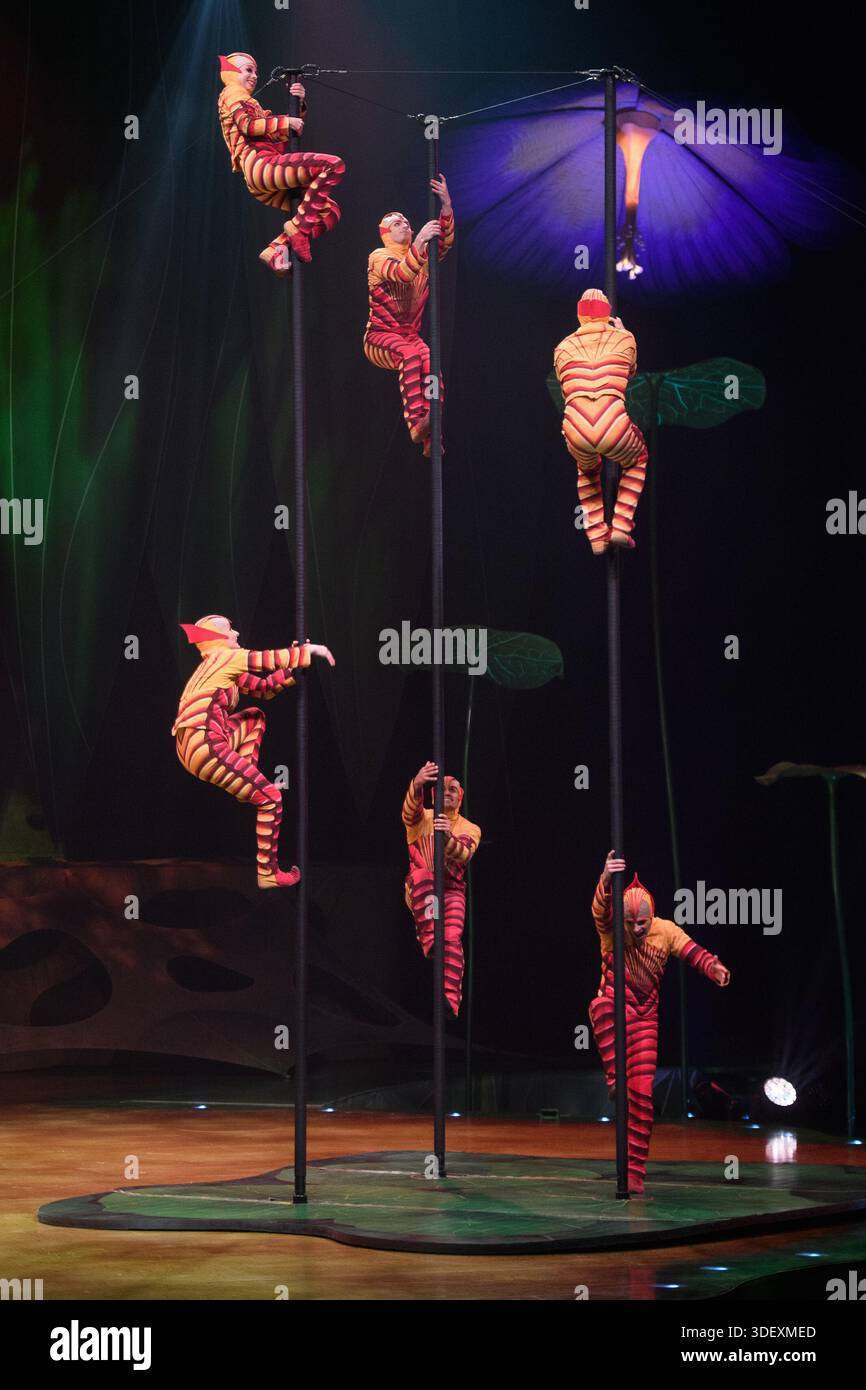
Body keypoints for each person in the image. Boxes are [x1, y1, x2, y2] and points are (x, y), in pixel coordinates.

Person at [589, 850, 730, 1193]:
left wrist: (713, 967)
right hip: (616, 1005)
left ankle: (635, 1171)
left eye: (643, 923)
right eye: (630, 923)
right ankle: (613, 1077)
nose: (637, 929)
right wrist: (607, 878)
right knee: (601, 1006)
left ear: (652, 916)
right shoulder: (611, 932)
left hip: (646, 1018)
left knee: (641, 1098)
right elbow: (598, 910)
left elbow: (691, 950)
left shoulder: (665, 930)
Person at [173, 615, 334, 888]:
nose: (236, 633)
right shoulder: (224, 658)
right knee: (271, 798)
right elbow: (267, 659)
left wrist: (295, 667)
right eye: (230, 630)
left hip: (191, 747)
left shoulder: (217, 668)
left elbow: (265, 689)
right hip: (204, 743)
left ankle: (245, 780)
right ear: (219, 639)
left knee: (254, 717)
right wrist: (308, 651)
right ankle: (267, 873)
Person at [217, 53, 345, 275]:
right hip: (261, 166)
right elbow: (248, 126)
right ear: (231, 72)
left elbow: (277, 134)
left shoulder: (249, 101)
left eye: (256, 71)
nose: (254, 76)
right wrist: (288, 121)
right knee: (332, 165)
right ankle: (297, 230)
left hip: (265, 174)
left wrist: (299, 105)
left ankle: (277, 247)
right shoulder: (232, 92)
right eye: (248, 70)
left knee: (330, 211)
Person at [364, 176, 454, 455]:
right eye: (396, 224)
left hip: (410, 337)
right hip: (379, 338)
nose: (404, 224)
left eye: (405, 221)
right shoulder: (378, 257)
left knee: (431, 364)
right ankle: (416, 425)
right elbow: (401, 274)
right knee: (410, 355)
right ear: (386, 233)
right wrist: (420, 242)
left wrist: (447, 206)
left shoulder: (422, 257)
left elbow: (444, 246)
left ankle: (431, 436)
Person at [554, 288, 649, 553]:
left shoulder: (562, 346)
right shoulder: (624, 338)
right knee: (638, 459)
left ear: (580, 316)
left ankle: (596, 536)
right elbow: (628, 375)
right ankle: (621, 526)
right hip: (613, 424)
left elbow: (565, 391)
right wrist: (620, 332)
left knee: (586, 469)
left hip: (576, 427)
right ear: (607, 314)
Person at [402, 761, 480, 1013]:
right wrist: (418, 782)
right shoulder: (421, 818)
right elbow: (408, 813)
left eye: (453, 789)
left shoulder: (469, 827)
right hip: (423, 888)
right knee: (424, 876)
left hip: (452, 891)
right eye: (442, 789)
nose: (447, 792)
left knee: (453, 938)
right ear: (434, 795)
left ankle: (450, 1000)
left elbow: (464, 854)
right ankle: (430, 938)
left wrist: (448, 836)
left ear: (461, 797)